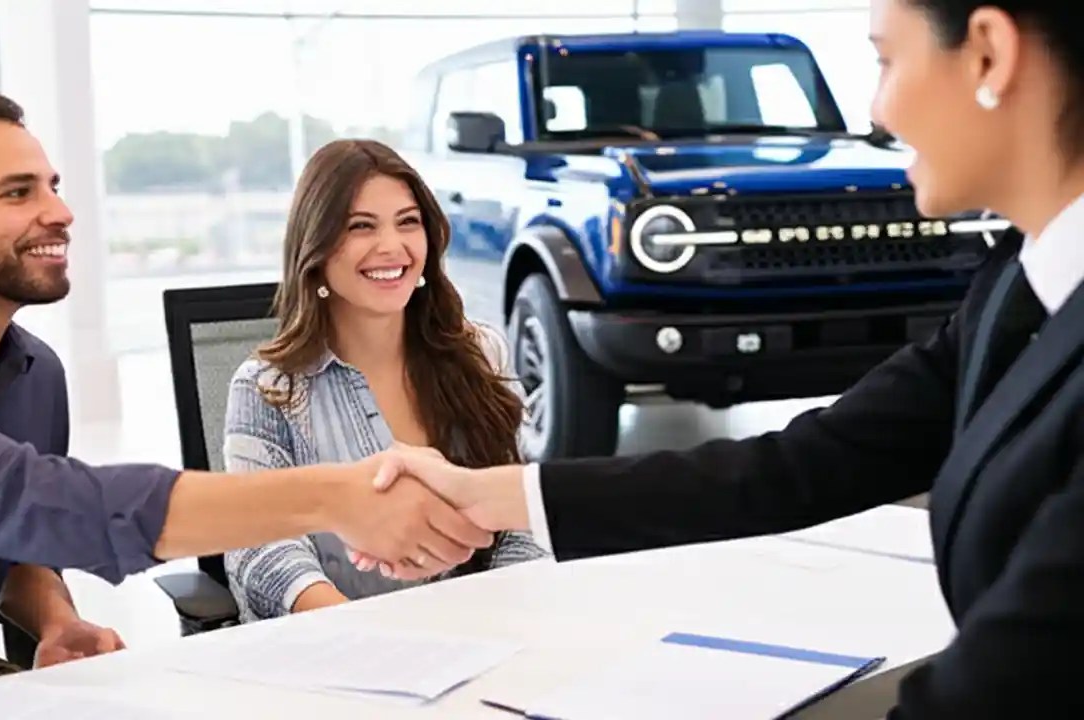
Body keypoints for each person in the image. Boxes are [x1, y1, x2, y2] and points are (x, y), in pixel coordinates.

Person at [365, 1, 1084, 716]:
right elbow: (800, 465)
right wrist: (489, 495)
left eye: (886, 60)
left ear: (988, 55)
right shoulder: (1014, 283)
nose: (878, 111)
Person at [0, 92, 491, 714]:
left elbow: (5, 541)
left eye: (53, 186)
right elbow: (35, 501)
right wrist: (339, 497)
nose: (60, 212)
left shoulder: (34, 374)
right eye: (17, 192)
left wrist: (54, 618)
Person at [220, 140, 547, 622]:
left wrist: (496, 615)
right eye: (361, 226)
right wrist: (361, 631)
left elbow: (524, 514)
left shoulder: (481, 352)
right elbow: (260, 546)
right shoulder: (268, 387)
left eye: (408, 222)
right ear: (316, 246)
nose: (392, 246)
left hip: (485, 632)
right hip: (340, 644)